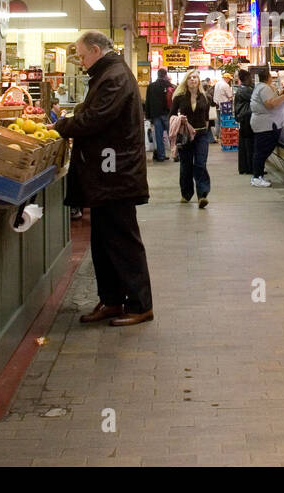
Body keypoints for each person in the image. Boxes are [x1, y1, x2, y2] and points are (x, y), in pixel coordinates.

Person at [52, 31, 154, 326]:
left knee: (122, 241)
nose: (81, 63)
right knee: (103, 242)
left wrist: (61, 126)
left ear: (96, 50)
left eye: (82, 56)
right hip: (107, 175)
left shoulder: (114, 77)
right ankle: (112, 300)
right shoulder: (108, 73)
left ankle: (139, 305)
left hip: (116, 175)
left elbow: (94, 119)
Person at [172, 70, 212, 208]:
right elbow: (171, 115)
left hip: (201, 134)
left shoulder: (205, 97)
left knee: (201, 163)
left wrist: (205, 131)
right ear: (186, 81)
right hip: (185, 135)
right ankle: (186, 193)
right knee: (186, 165)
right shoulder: (179, 97)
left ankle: (202, 195)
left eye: (195, 77)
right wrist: (178, 121)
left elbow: (207, 118)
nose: (193, 80)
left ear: (199, 80)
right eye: (190, 78)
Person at [250, 66, 284, 187]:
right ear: (268, 77)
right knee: (262, 150)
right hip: (265, 125)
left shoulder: (261, 87)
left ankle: (258, 176)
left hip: (263, 123)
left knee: (261, 150)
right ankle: (257, 177)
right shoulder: (264, 88)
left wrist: (279, 93)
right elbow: (270, 104)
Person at [144, 67, 173, 162]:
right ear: (165, 75)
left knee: (158, 136)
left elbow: (147, 102)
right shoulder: (169, 85)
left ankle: (161, 156)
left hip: (155, 114)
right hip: (167, 114)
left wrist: (148, 115)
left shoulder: (151, 86)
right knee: (172, 135)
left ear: (157, 75)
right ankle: (176, 154)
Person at [234, 68, 254, 176]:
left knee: (244, 143)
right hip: (247, 118)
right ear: (246, 78)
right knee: (249, 143)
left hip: (243, 118)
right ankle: (250, 167)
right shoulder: (246, 90)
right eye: (250, 77)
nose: (251, 79)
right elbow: (257, 99)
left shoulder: (241, 89)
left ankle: (244, 167)